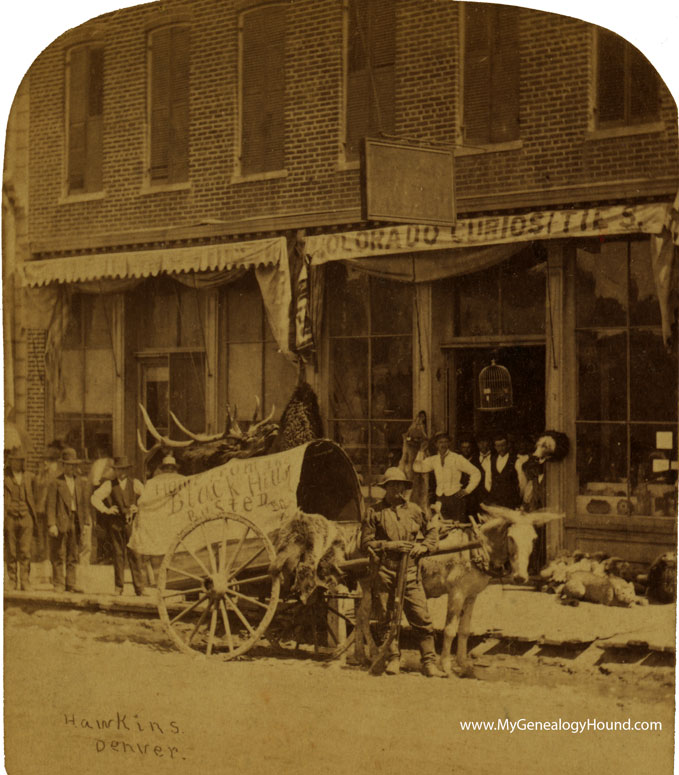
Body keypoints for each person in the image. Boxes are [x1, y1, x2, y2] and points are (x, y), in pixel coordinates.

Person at [360, 467, 443, 678]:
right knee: (387, 618)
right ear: (385, 488)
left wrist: (424, 546)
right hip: (385, 570)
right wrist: (390, 545)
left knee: (421, 616)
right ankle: (393, 658)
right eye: (392, 485)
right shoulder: (374, 512)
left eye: (401, 485)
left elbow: (432, 531)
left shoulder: (415, 510)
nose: (397, 489)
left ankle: (429, 662)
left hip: (411, 572)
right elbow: (366, 542)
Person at [90, 455, 147, 596]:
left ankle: (139, 588)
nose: (121, 472)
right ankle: (119, 587)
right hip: (116, 524)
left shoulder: (135, 483)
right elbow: (94, 497)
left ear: (128, 470)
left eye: (124, 469)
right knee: (118, 554)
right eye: (119, 469)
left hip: (131, 525)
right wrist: (106, 510)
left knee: (135, 554)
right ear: (115, 470)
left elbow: (147, 496)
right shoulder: (109, 484)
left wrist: (138, 507)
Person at [46, 448, 90, 593]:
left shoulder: (79, 481)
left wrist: (84, 522)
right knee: (59, 553)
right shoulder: (56, 482)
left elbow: (83, 503)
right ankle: (58, 583)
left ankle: (70, 583)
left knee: (73, 553)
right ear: (63, 465)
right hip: (61, 520)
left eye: (73, 465)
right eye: (68, 465)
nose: (71, 468)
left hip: (75, 520)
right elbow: (51, 504)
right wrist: (52, 524)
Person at [413, 431, 480, 522]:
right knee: (442, 528)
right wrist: (421, 451)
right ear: (436, 444)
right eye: (440, 442)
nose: (443, 445)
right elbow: (417, 467)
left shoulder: (457, 458)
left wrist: (467, 490)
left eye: (445, 442)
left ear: (449, 443)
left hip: (456, 499)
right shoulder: (434, 460)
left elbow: (476, 473)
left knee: (457, 529)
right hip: (440, 499)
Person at [4, 451, 38, 591]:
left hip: (26, 517)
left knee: (25, 550)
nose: (19, 463)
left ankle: (25, 580)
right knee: (11, 550)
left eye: (21, 460)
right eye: (16, 460)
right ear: (10, 461)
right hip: (10, 517)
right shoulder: (4, 477)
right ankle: (12, 580)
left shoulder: (30, 477)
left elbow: (35, 496)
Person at [487, 432, 522, 508]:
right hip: (496, 500)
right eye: (498, 446)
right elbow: (488, 481)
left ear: (507, 445)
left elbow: (522, 482)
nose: (501, 448)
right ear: (495, 447)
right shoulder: (491, 460)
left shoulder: (515, 460)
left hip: (511, 500)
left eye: (503, 445)